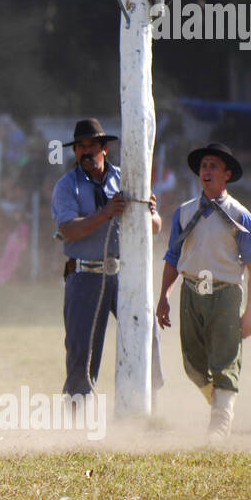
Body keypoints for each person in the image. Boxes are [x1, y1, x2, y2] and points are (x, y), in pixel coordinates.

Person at [157, 142, 251, 440]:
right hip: (191, 291)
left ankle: (220, 423)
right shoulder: (184, 212)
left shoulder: (240, 216)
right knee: (193, 364)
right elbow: (172, 258)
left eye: (213, 166)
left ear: (227, 174)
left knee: (225, 359)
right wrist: (164, 295)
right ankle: (219, 404)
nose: (206, 171)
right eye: (204, 166)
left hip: (225, 293)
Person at [50, 119, 162, 397]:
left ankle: (147, 404)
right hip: (85, 273)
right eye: (80, 147)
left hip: (124, 273)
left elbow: (156, 227)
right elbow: (69, 230)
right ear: (74, 151)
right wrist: (106, 213)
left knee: (146, 334)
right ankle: (78, 412)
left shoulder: (126, 179)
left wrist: (151, 212)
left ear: (104, 149)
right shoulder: (66, 186)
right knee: (82, 347)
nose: (85, 152)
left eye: (91, 146)